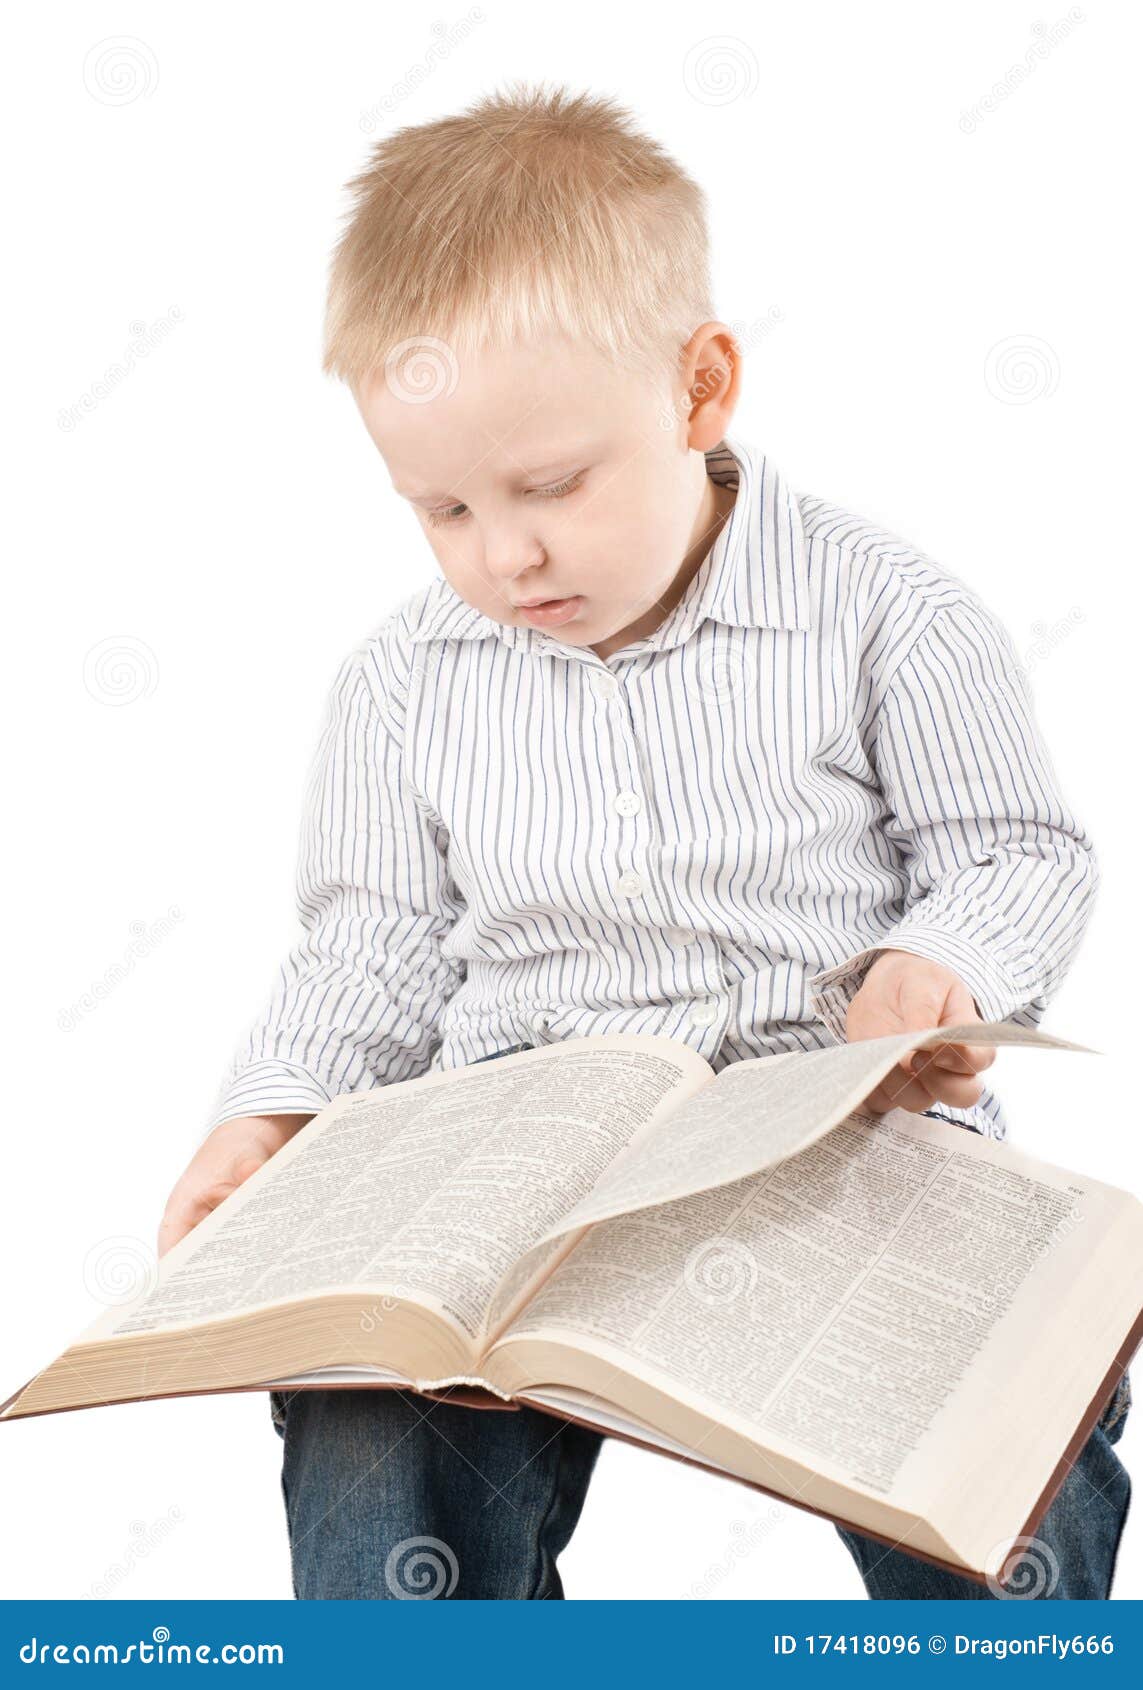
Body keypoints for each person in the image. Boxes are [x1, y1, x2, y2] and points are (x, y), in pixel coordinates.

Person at [157, 83, 1129, 1599]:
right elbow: (371, 947)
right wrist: (271, 1118)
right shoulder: (402, 683)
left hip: (833, 1140)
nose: (507, 552)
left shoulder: (889, 614)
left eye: (551, 486)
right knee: (370, 1408)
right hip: (512, 1168)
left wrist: (941, 964)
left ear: (700, 389)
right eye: (443, 509)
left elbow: (1016, 851)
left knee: (1004, 1423)